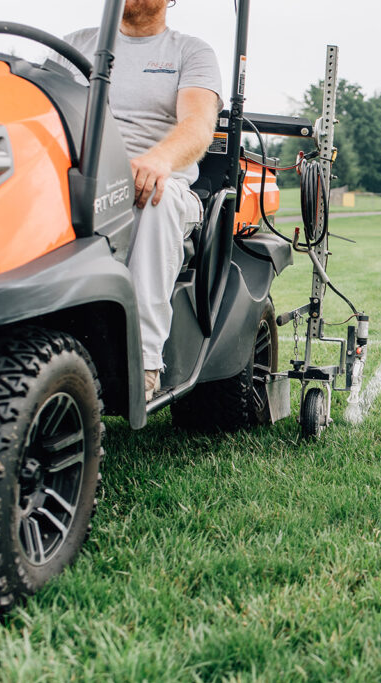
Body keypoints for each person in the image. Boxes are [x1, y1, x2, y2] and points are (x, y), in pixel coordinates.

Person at [62, 0, 222, 400]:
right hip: (83, 182)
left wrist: (159, 159)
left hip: (161, 186)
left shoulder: (189, 52)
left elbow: (198, 123)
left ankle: (144, 362)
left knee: (155, 198)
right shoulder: (74, 45)